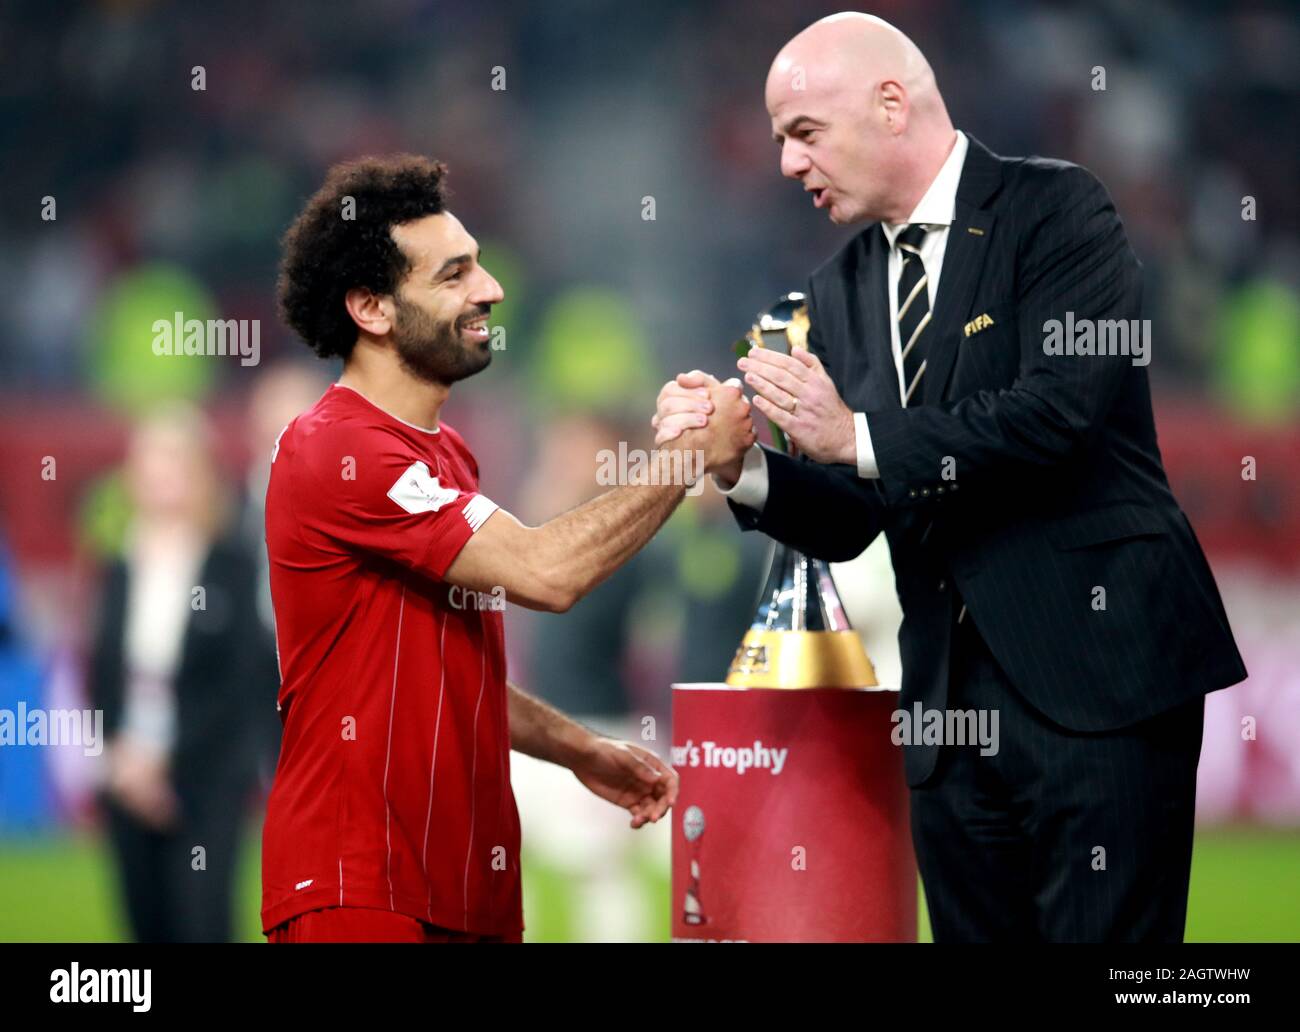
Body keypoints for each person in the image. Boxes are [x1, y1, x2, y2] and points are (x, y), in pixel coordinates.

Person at [654, 13, 1246, 942]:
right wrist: (744, 469)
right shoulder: (839, 287)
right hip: (945, 718)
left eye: (803, 133)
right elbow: (854, 513)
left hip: (1100, 681)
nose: (785, 165)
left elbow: (1058, 413)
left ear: (892, 104)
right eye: (776, 141)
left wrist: (855, 436)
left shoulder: (1057, 209)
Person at [263, 154, 754, 942]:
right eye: (454, 275)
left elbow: (452, 675)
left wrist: (581, 750)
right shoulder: (337, 450)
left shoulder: (447, 457)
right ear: (372, 308)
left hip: (468, 884)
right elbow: (547, 572)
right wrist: (688, 455)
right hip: (362, 883)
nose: (490, 290)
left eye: (481, 267)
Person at [89, 404, 264, 942]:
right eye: (147, 463)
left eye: (171, 462)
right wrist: (123, 757)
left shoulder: (231, 565)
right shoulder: (120, 565)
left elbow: (241, 686)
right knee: (145, 930)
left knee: (202, 923)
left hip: (205, 787)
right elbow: (103, 672)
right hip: (128, 783)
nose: (158, 476)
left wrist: (167, 761)